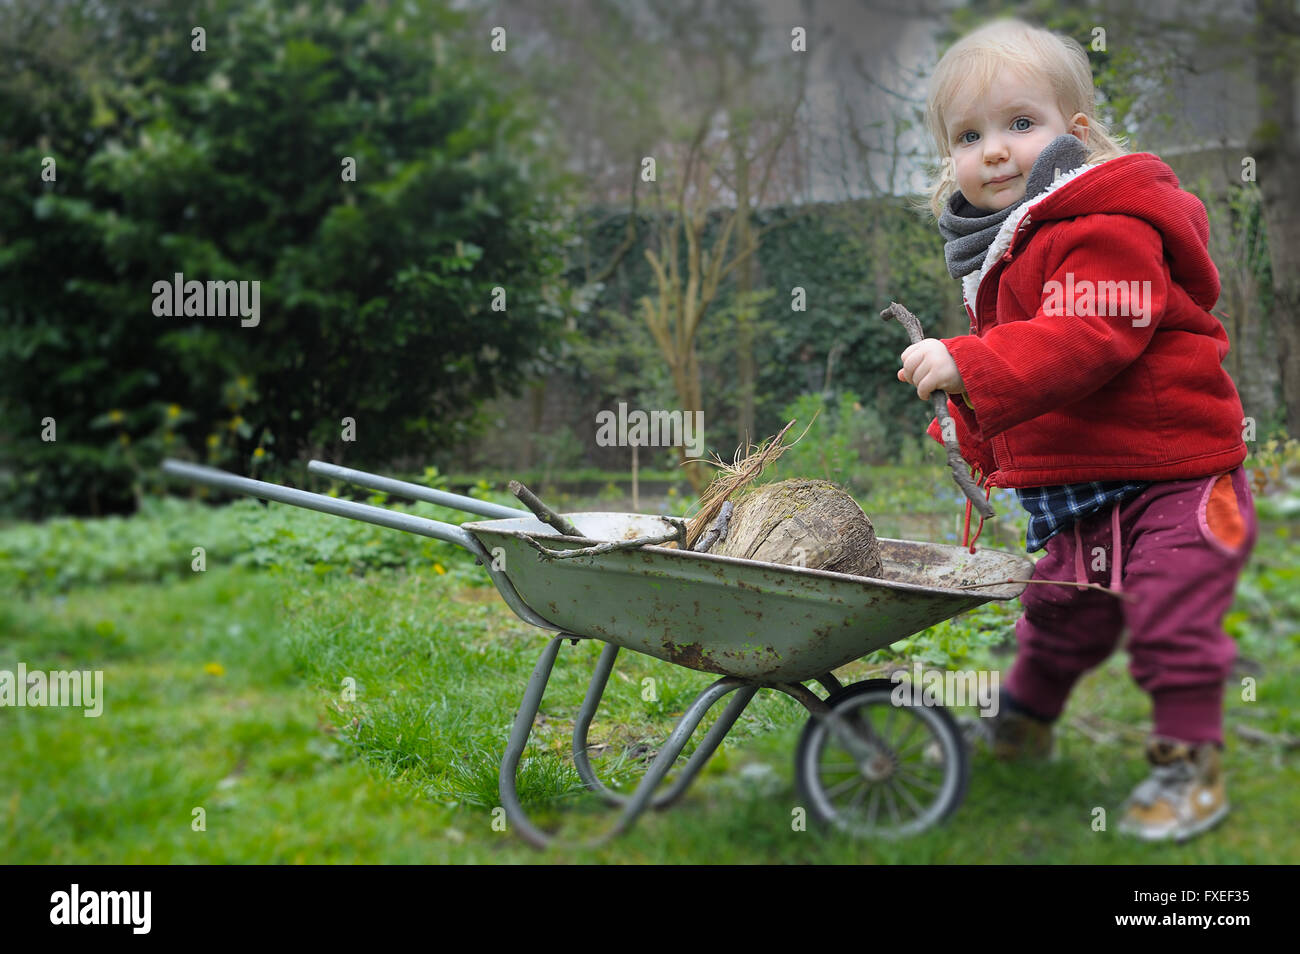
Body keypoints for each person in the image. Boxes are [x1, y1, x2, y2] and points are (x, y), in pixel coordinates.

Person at [895, 17, 1257, 843]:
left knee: (1171, 616)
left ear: (1077, 135)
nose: (994, 150)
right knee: (1059, 615)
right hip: (1088, 491)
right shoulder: (1005, 252)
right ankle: (1021, 725)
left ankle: (1187, 767)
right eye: (969, 134)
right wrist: (973, 421)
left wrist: (974, 366)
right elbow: (1033, 381)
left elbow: (1091, 335)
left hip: (1177, 476)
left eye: (1021, 124)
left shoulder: (1105, 223)